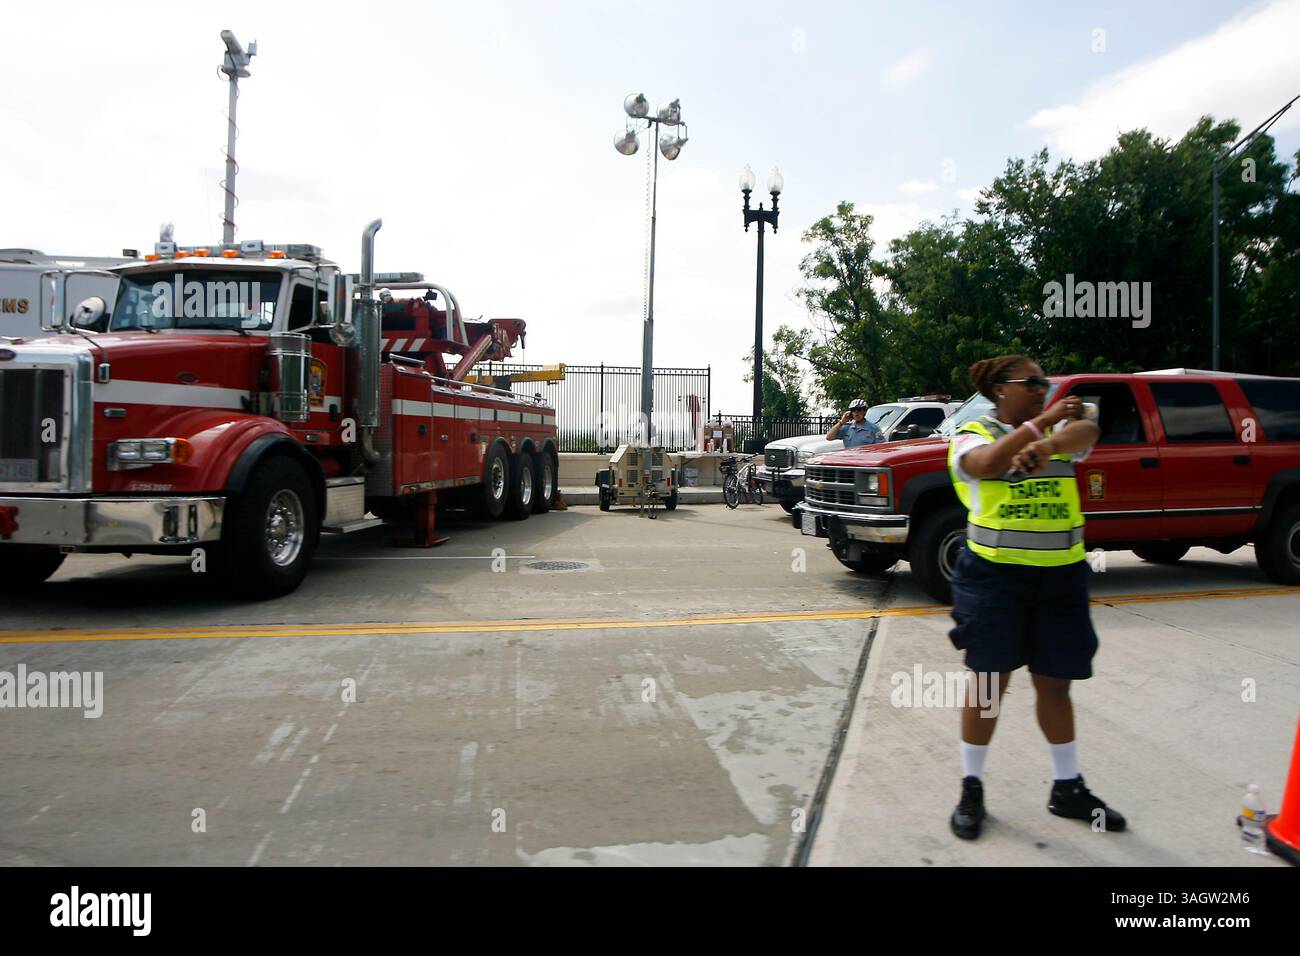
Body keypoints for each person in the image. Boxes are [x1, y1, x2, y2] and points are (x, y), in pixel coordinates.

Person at [945, 354, 1126, 840]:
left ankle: (1066, 788)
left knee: (1056, 684)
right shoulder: (974, 433)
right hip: (994, 579)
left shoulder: (1063, 426)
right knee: (988, 685)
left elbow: (1088, 432)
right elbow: (983, 465)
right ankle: (972, 787)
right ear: (1002, 389)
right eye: (1034, 382)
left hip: (1060, 578)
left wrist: (1045, 442)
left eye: (1046, 381)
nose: (1044, 387)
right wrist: (1041, 425)